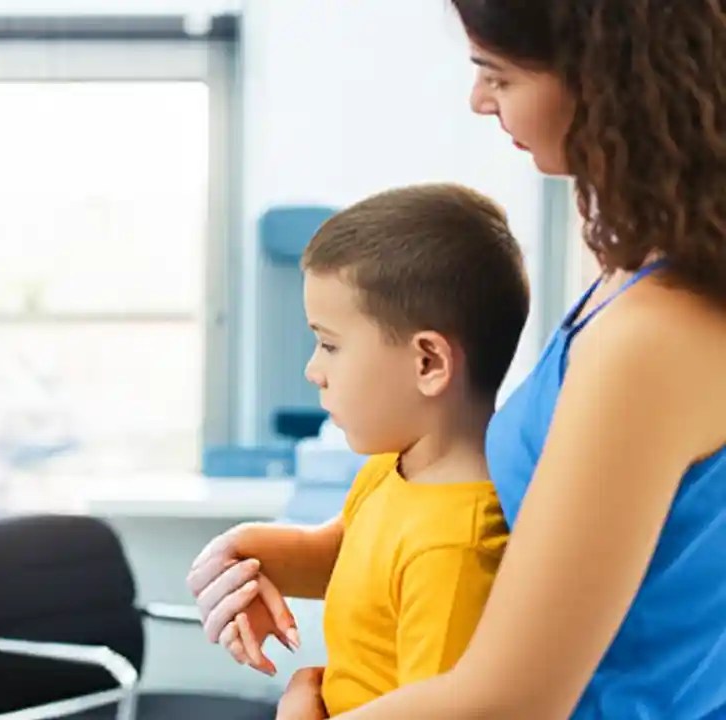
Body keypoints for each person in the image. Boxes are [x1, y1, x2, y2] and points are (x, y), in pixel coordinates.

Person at [189, 2, 726, 717]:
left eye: (498, 76)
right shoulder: (630, 282)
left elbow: (507, 698)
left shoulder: (655, 331)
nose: (478, 99)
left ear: (607, 79)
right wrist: (272, 554)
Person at [191, 184, 528, 717]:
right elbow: (345, 555)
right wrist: (245, 552)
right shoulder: (393, 468)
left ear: (428, 363)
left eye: (329, 344)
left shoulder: (454, 549)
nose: (313, 370)